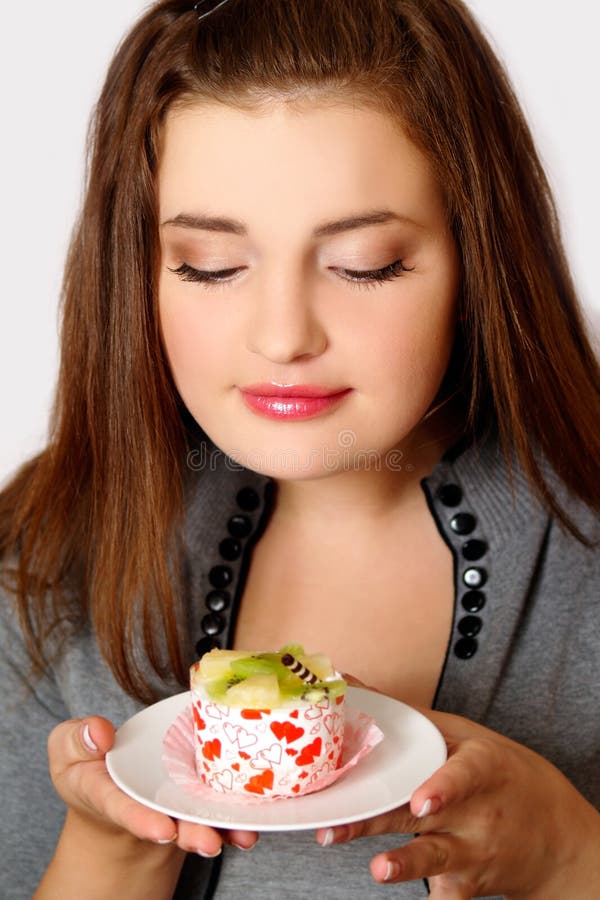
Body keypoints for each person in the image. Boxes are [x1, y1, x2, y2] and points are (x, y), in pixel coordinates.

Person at [0, 0, 598, 897]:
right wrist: (113, 849)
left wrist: (569, 855)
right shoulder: (49, 555)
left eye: (364, 263)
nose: (283, 337)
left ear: (478, 261)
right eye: (209, 265)